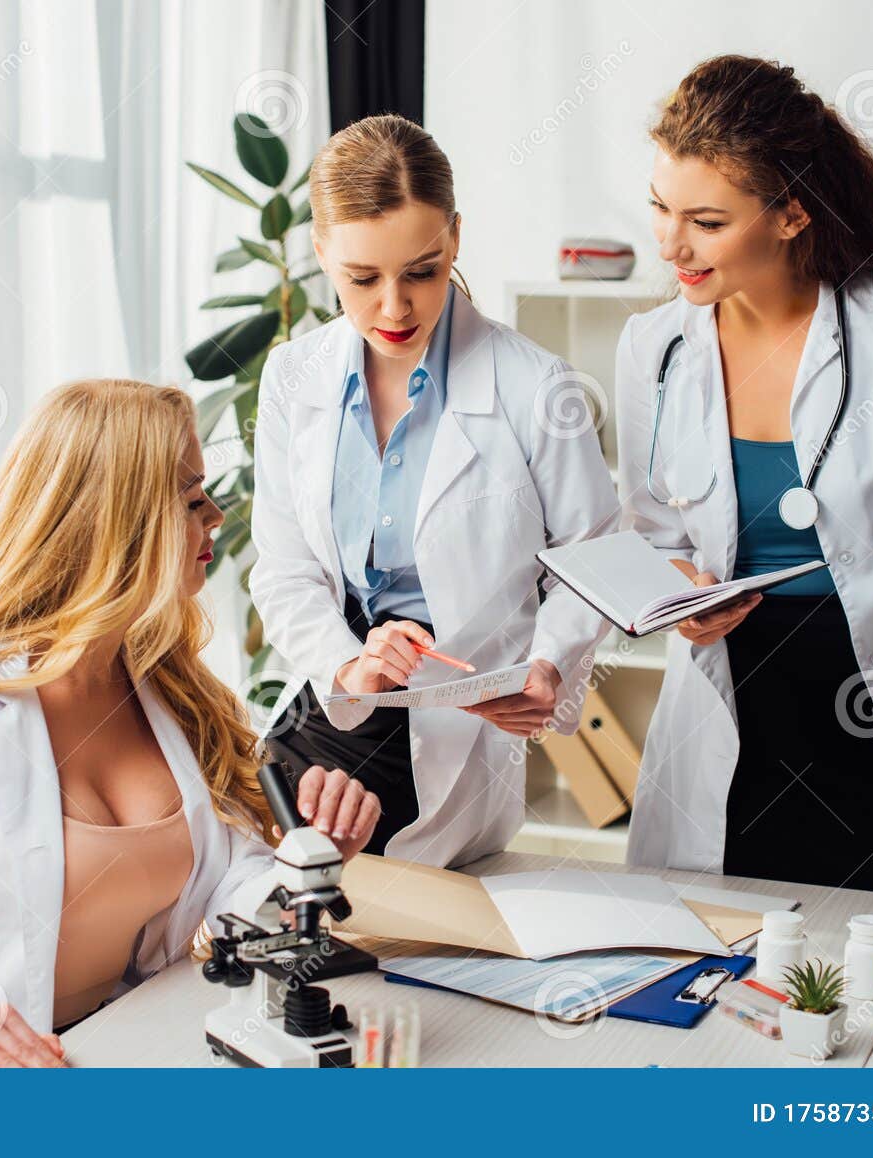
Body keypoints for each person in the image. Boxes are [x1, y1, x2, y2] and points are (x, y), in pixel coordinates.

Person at [0, 379, 378, 1067]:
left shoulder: (176, 695)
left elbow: (229, 896)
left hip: (120, 1054)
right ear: (117, 523)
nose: (214, 514)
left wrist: (312, 861)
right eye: (189, 499)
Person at [617, 56, 873, 912]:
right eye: (660, 207)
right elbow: (652, 536)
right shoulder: (652, 349)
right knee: (726, 977)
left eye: (707, 221)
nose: (670, 244)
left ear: (793, 212)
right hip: (733, 700)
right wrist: (678, 592)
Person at [250, 114, 619, 867]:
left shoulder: (535, 385)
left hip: (459, 727)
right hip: (336, 703)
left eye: (421, 270)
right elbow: (283, 566)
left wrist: (546, 666)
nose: (395, 307)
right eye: (362, 279)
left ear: (454, 238)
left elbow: (594, 560)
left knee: (399, 940)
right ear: (322, 252)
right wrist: (348, 665)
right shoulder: (295, 377)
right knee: (280, 894)